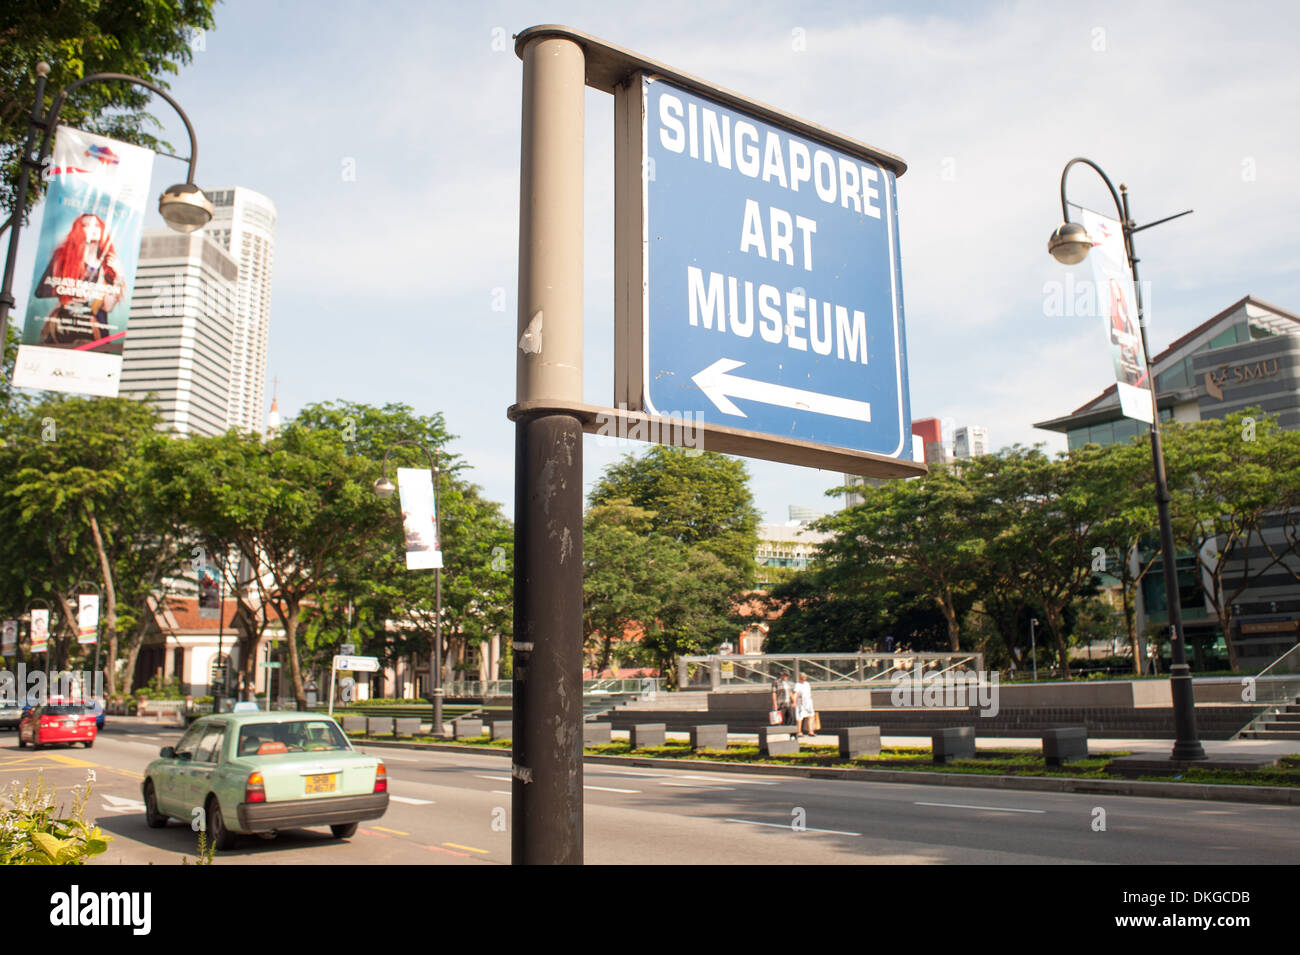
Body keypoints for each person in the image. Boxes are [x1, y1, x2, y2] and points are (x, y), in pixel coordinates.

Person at [33, 213, 125, 351]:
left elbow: (108, 307)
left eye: (97, 226)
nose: (93, 229)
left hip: (95, 329)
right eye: (86, 225)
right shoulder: (63, 258)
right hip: (65, 325)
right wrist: (70, 290)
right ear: (78, 230)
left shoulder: (107, 265)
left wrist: (119, 276)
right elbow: (41, 291)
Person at [793, 673, 816, 738]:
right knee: (800, 717)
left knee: (811, 716)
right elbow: (796, 693)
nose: (803, 679)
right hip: (800, 702)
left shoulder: (807, 684)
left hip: (808, 702)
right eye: (802, 677)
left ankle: (810, 731)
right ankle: (799, 731)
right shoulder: (797, 685)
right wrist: (794, 702)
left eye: (804, 677)